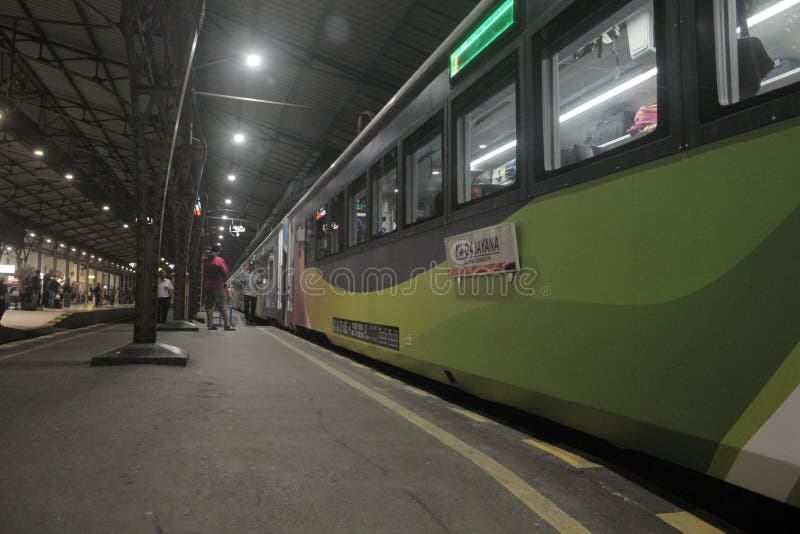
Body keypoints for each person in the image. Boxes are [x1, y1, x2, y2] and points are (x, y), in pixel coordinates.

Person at [202, 244, 234, 331]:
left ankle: (210, 324)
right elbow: (225, 271)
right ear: (219, 251)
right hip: (217, 285)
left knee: (209, 305)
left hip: (208, 285)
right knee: (223, 305)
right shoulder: (219, 260)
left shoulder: (205, 259)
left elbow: (203, 258)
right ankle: (227, 325)